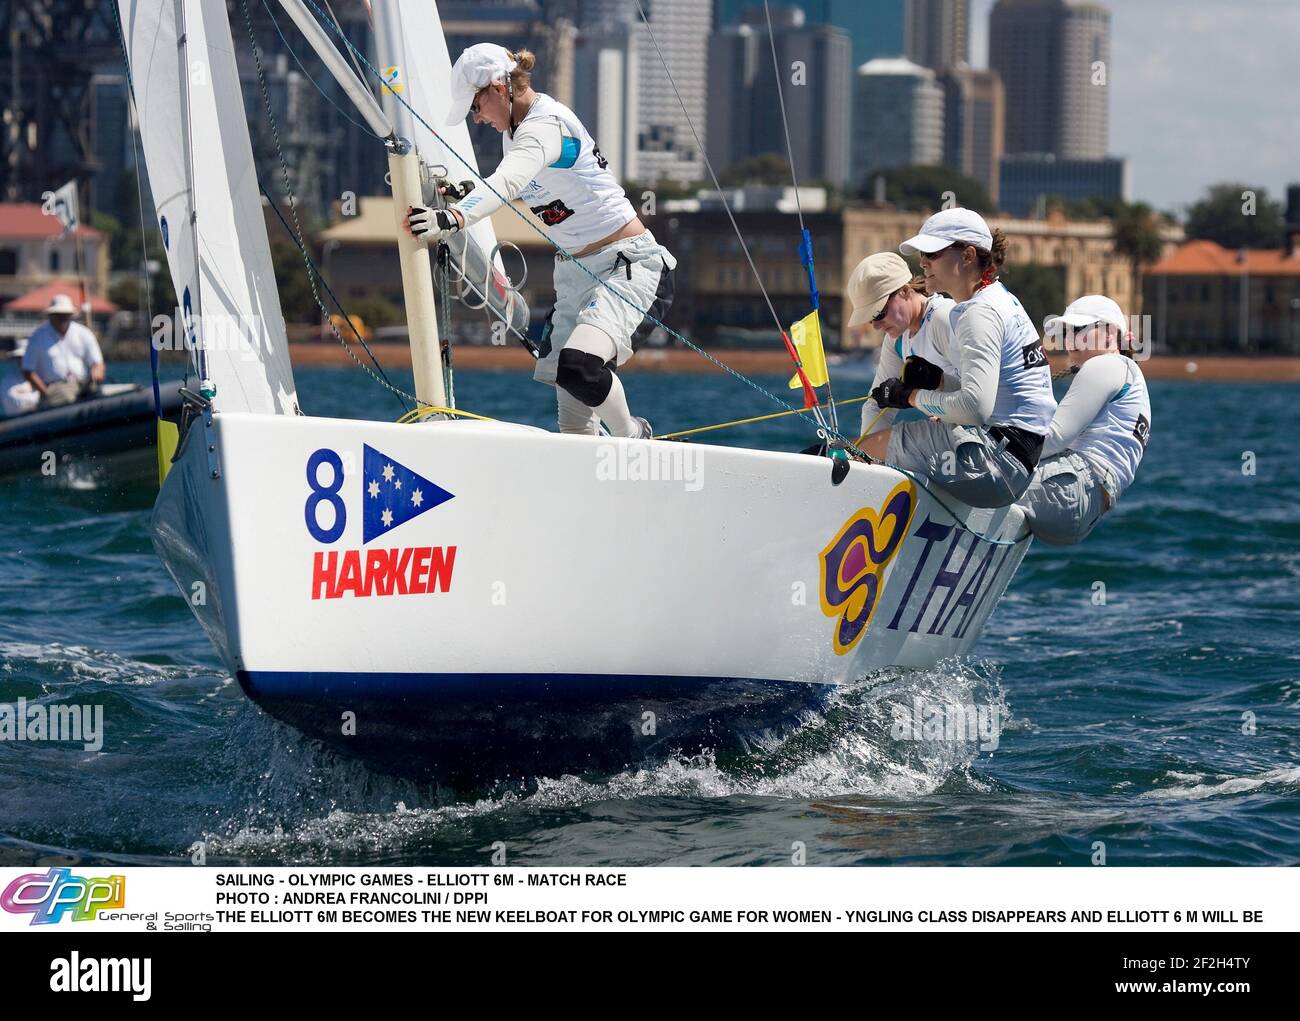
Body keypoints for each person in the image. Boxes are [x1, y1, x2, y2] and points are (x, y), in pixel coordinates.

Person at [405, 43, 675, 438]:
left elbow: (509, 180)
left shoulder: (545, 125)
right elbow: (519, 182)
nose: (476, 119)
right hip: (575, 277)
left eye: (475, 108)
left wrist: (454, 217)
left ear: (499, 88)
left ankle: (635, 436)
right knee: (573, 417)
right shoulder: (514, 132)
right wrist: (464, 192)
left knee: (580, 366)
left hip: (629, 267)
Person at [863, 208, 1056, 508]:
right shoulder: (999, 298)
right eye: (922, 255)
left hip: (996, 464)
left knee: (867, 449)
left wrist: (910, 396)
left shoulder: (978, 313)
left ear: (967, 256)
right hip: (1013, 464)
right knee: (878, 450)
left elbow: (975, 408)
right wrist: (939, 382)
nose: (923, 262)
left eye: (933, 253)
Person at [1015, 295, 1151, 544]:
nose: (1069, 340)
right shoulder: (1131, 375)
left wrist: (988, 435)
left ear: (1110, 335)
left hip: (1069, 488)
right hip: (1082, 508)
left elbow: (1052, 439)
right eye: (1065, 332)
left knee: (965, 474)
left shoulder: (1105, 365)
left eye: (1079, 330)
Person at [848, 251, 959, 443]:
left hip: (982, 439)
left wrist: (913, 396)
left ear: (905, 290)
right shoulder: (896, 339)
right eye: (870, 319)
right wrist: (869, 460)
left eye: (879, 314)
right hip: (949, 434)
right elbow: (876, 405)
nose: (875, 326)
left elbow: (979, 398)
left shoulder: (944, 319)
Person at [21, 294, 105, 408]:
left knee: (98, 395)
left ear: (71, 315)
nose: (62, 318)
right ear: (51, 315)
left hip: (83, 383)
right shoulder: (37, 337)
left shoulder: (84, 333)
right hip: (55, 387)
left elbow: (97, 363)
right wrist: (45, 392)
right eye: (58, 314)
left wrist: (96, 373)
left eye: (65, 314)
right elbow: (28, 371)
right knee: (65, 396)